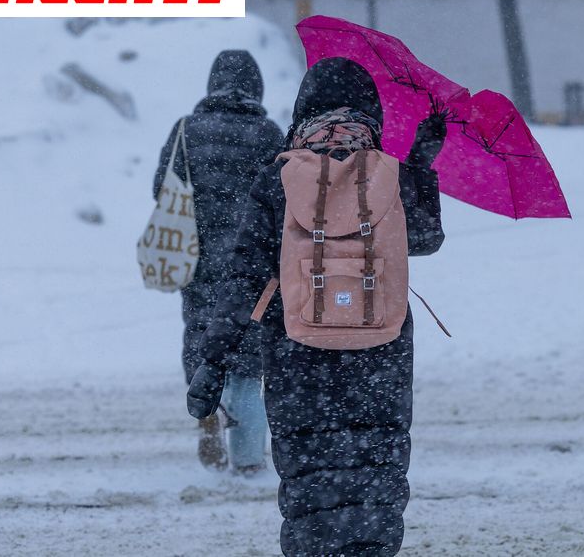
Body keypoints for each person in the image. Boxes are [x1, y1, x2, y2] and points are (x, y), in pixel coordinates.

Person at [186, 57, 446, 555]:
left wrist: (214, 359)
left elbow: (244, 277)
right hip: (380, 355)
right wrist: (421, 163)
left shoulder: (280, 177)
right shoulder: (392, 174)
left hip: (298, 354)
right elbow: (427, 239)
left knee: (309, 477)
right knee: (376, 474)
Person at [153, 50, 284, 473]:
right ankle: (247, 459)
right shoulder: (268, 134)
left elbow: (162, 188)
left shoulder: (187, 131)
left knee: (201, 339)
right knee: (248, 356)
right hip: (252, 262)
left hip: (199, 258)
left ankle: (206, 412)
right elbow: (284, 198)